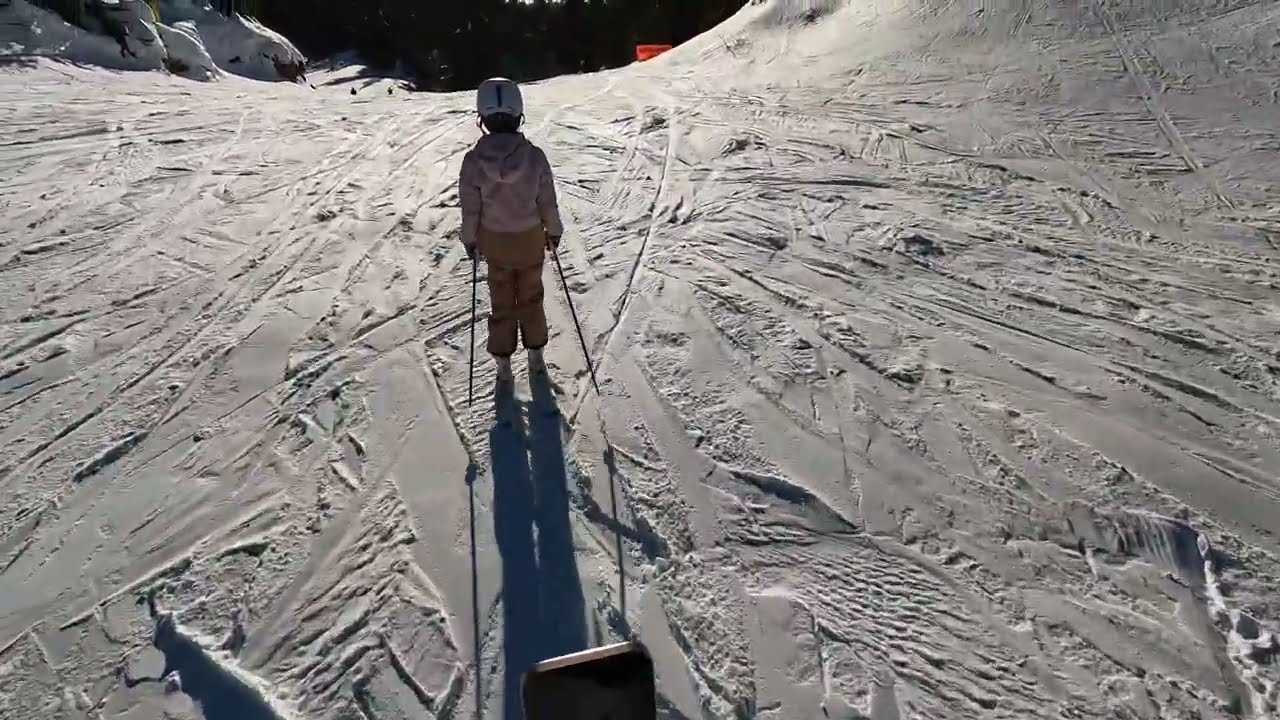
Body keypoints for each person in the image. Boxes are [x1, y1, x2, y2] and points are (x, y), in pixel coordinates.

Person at [459, 77, 564, 389]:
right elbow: (547, 202)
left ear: (483, 119)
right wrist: (554, 232)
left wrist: (470, 239)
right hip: (530, 239)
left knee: (501, 300)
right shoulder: (535, 157)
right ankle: (536, 358)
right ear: (519, 115)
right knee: (531, 296)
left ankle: (504, 364)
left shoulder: (473, 161)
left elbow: (471, 209)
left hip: (495, 242)